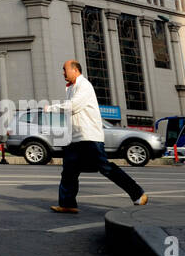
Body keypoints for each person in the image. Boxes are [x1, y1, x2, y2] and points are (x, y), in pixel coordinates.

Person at [47, 60, 148, 213]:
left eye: (64, 69)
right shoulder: (70, 88)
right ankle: (67, 204)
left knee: (105, 168)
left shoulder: (84, 85)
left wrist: (51, 108)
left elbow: (73, 107)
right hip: (75, 138)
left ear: (75, 70)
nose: (62, 73)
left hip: (89, 137)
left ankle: (138, 194)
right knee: (69, 171)